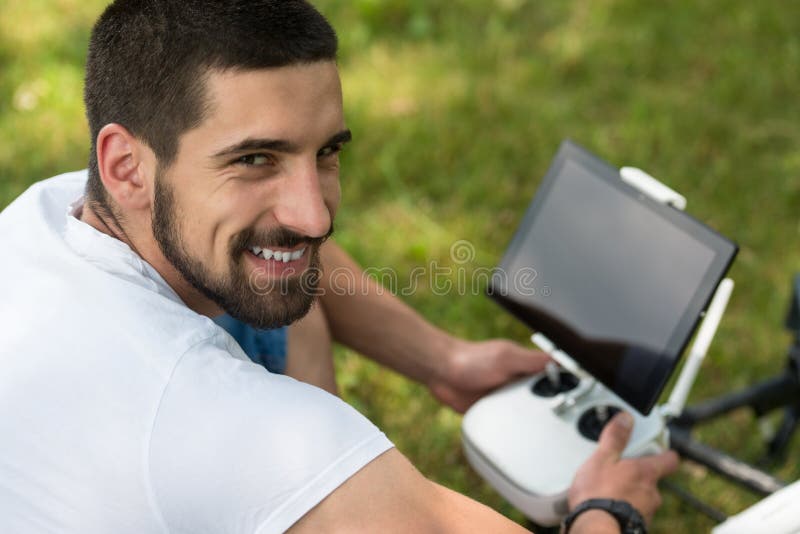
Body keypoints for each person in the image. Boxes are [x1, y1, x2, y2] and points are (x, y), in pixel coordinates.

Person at [0, 1, 678, 532]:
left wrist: (442, 361)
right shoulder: (226, 423)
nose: (314, 214)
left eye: (325, 152)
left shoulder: (53, 215)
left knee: (275, 268)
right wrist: (606, 508)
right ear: (126, 166)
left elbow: (286, 252)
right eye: (255, 159)